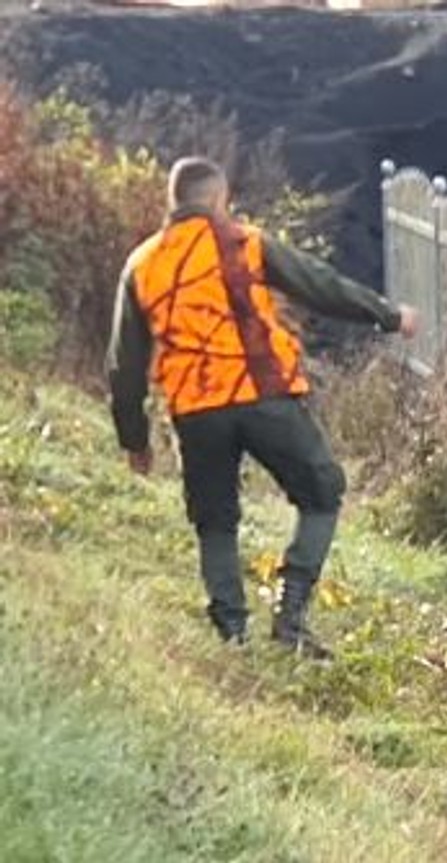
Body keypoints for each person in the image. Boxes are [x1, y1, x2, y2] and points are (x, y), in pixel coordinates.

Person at [106, 155, 418, 659]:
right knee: (322, 492)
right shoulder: (244, 243)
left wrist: (134, 441)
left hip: (195, 409)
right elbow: (318, 283)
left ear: (174, 201)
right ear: (218, 198)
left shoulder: (142, 266)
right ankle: (291, 615)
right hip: (262, 395)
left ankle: (232, 633)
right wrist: (386, 314)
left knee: (214, 519)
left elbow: (124, 366)